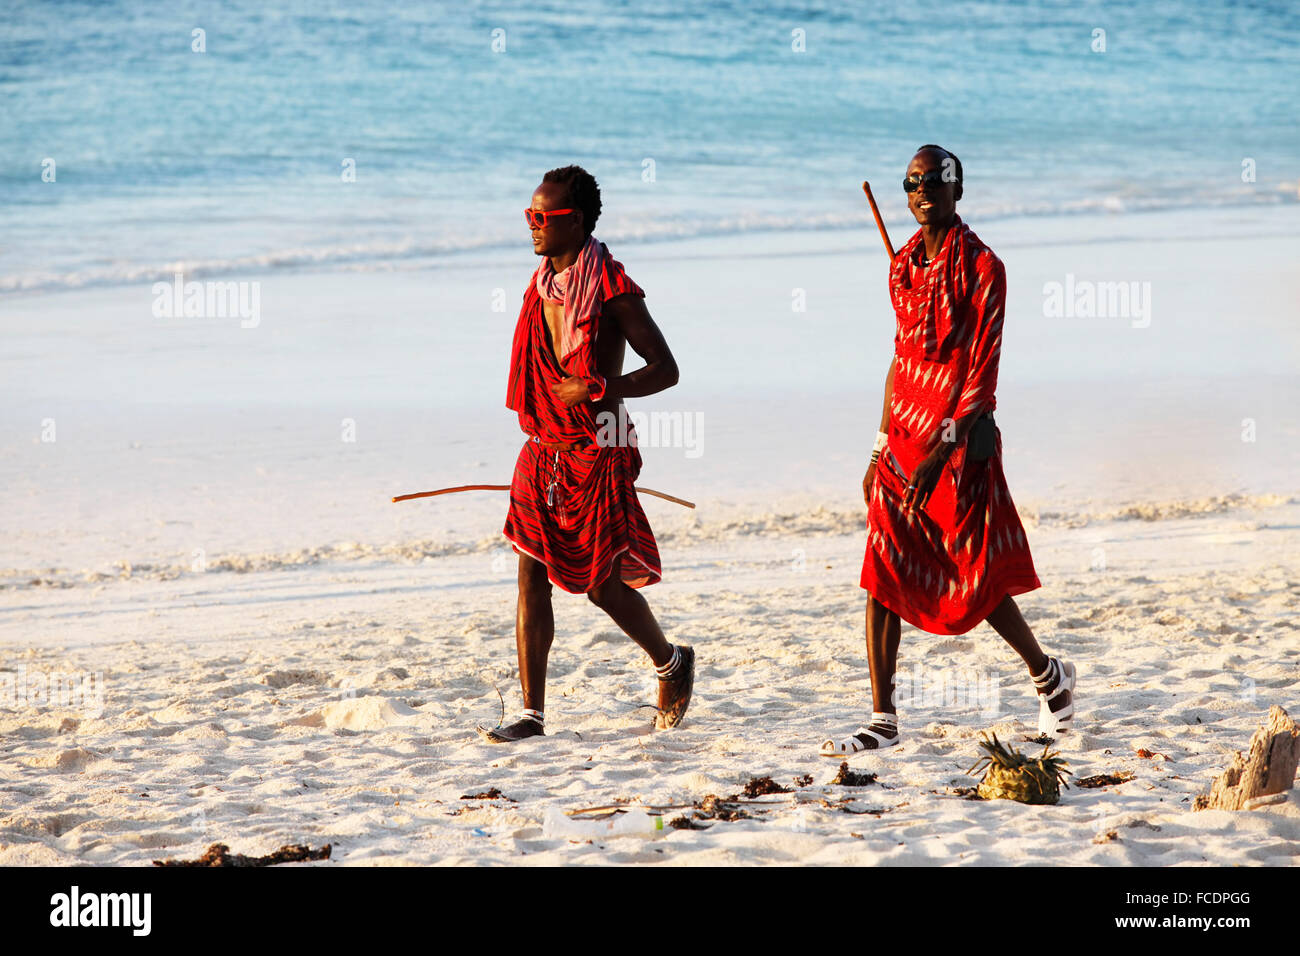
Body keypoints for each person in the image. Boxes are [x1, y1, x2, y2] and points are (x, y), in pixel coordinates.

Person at [821, 145, 1076, 755]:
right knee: (881, 567)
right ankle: (882, 717)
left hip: (959, 438)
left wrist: (943, 446)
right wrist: (881, 442)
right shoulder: (903, 265)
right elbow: (902, 357)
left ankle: (1048, 675)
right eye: (911, 183)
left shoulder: (986, 268)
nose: (921, 191)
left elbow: (982, 373)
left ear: (958, 189)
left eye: (934, 181)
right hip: (903, 437)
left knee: (972, 575)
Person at [485, 165, 693, 743]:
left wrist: (601, 386)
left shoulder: (614, 289)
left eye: (542, 218)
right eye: (528, 216)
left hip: (597, 446)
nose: (532, 226)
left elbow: (666, 370)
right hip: (543, 445)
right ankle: (532, 713)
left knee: (600, 583)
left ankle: (672, 662)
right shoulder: (539, 285)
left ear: (573, 222)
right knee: (531, 570)